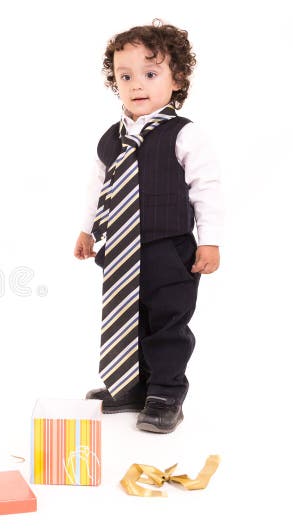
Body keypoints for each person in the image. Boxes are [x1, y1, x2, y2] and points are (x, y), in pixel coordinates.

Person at [73, 21, 222, 433]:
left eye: (151, 74)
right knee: (127, 319)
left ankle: (166, 393)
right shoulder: (111, 140)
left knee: (167, 322)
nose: (137, 85)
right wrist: (87, 230)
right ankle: (131, 386)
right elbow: (96, 189)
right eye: (126, 76)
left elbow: (206, 189)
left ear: (176, 81)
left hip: (169, 250)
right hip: (120, 250)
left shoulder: (184, 135)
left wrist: (209, 241)